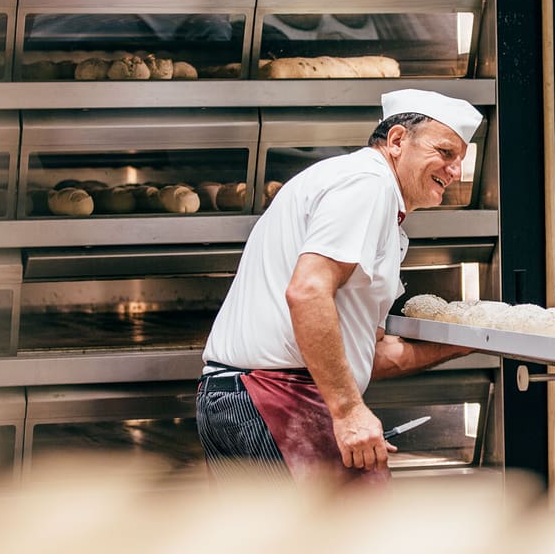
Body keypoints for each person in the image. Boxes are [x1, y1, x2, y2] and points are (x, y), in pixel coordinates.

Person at [197, 89, 480, 484]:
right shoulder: (366, 184)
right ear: (398, 141)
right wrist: (349, 411)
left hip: (247, 396)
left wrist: (471, 340)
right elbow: (307, 292)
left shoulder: (381, 208)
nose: (454, 170)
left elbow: (371, 354)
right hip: (274, 397)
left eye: (460, 160)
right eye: (446, 153)